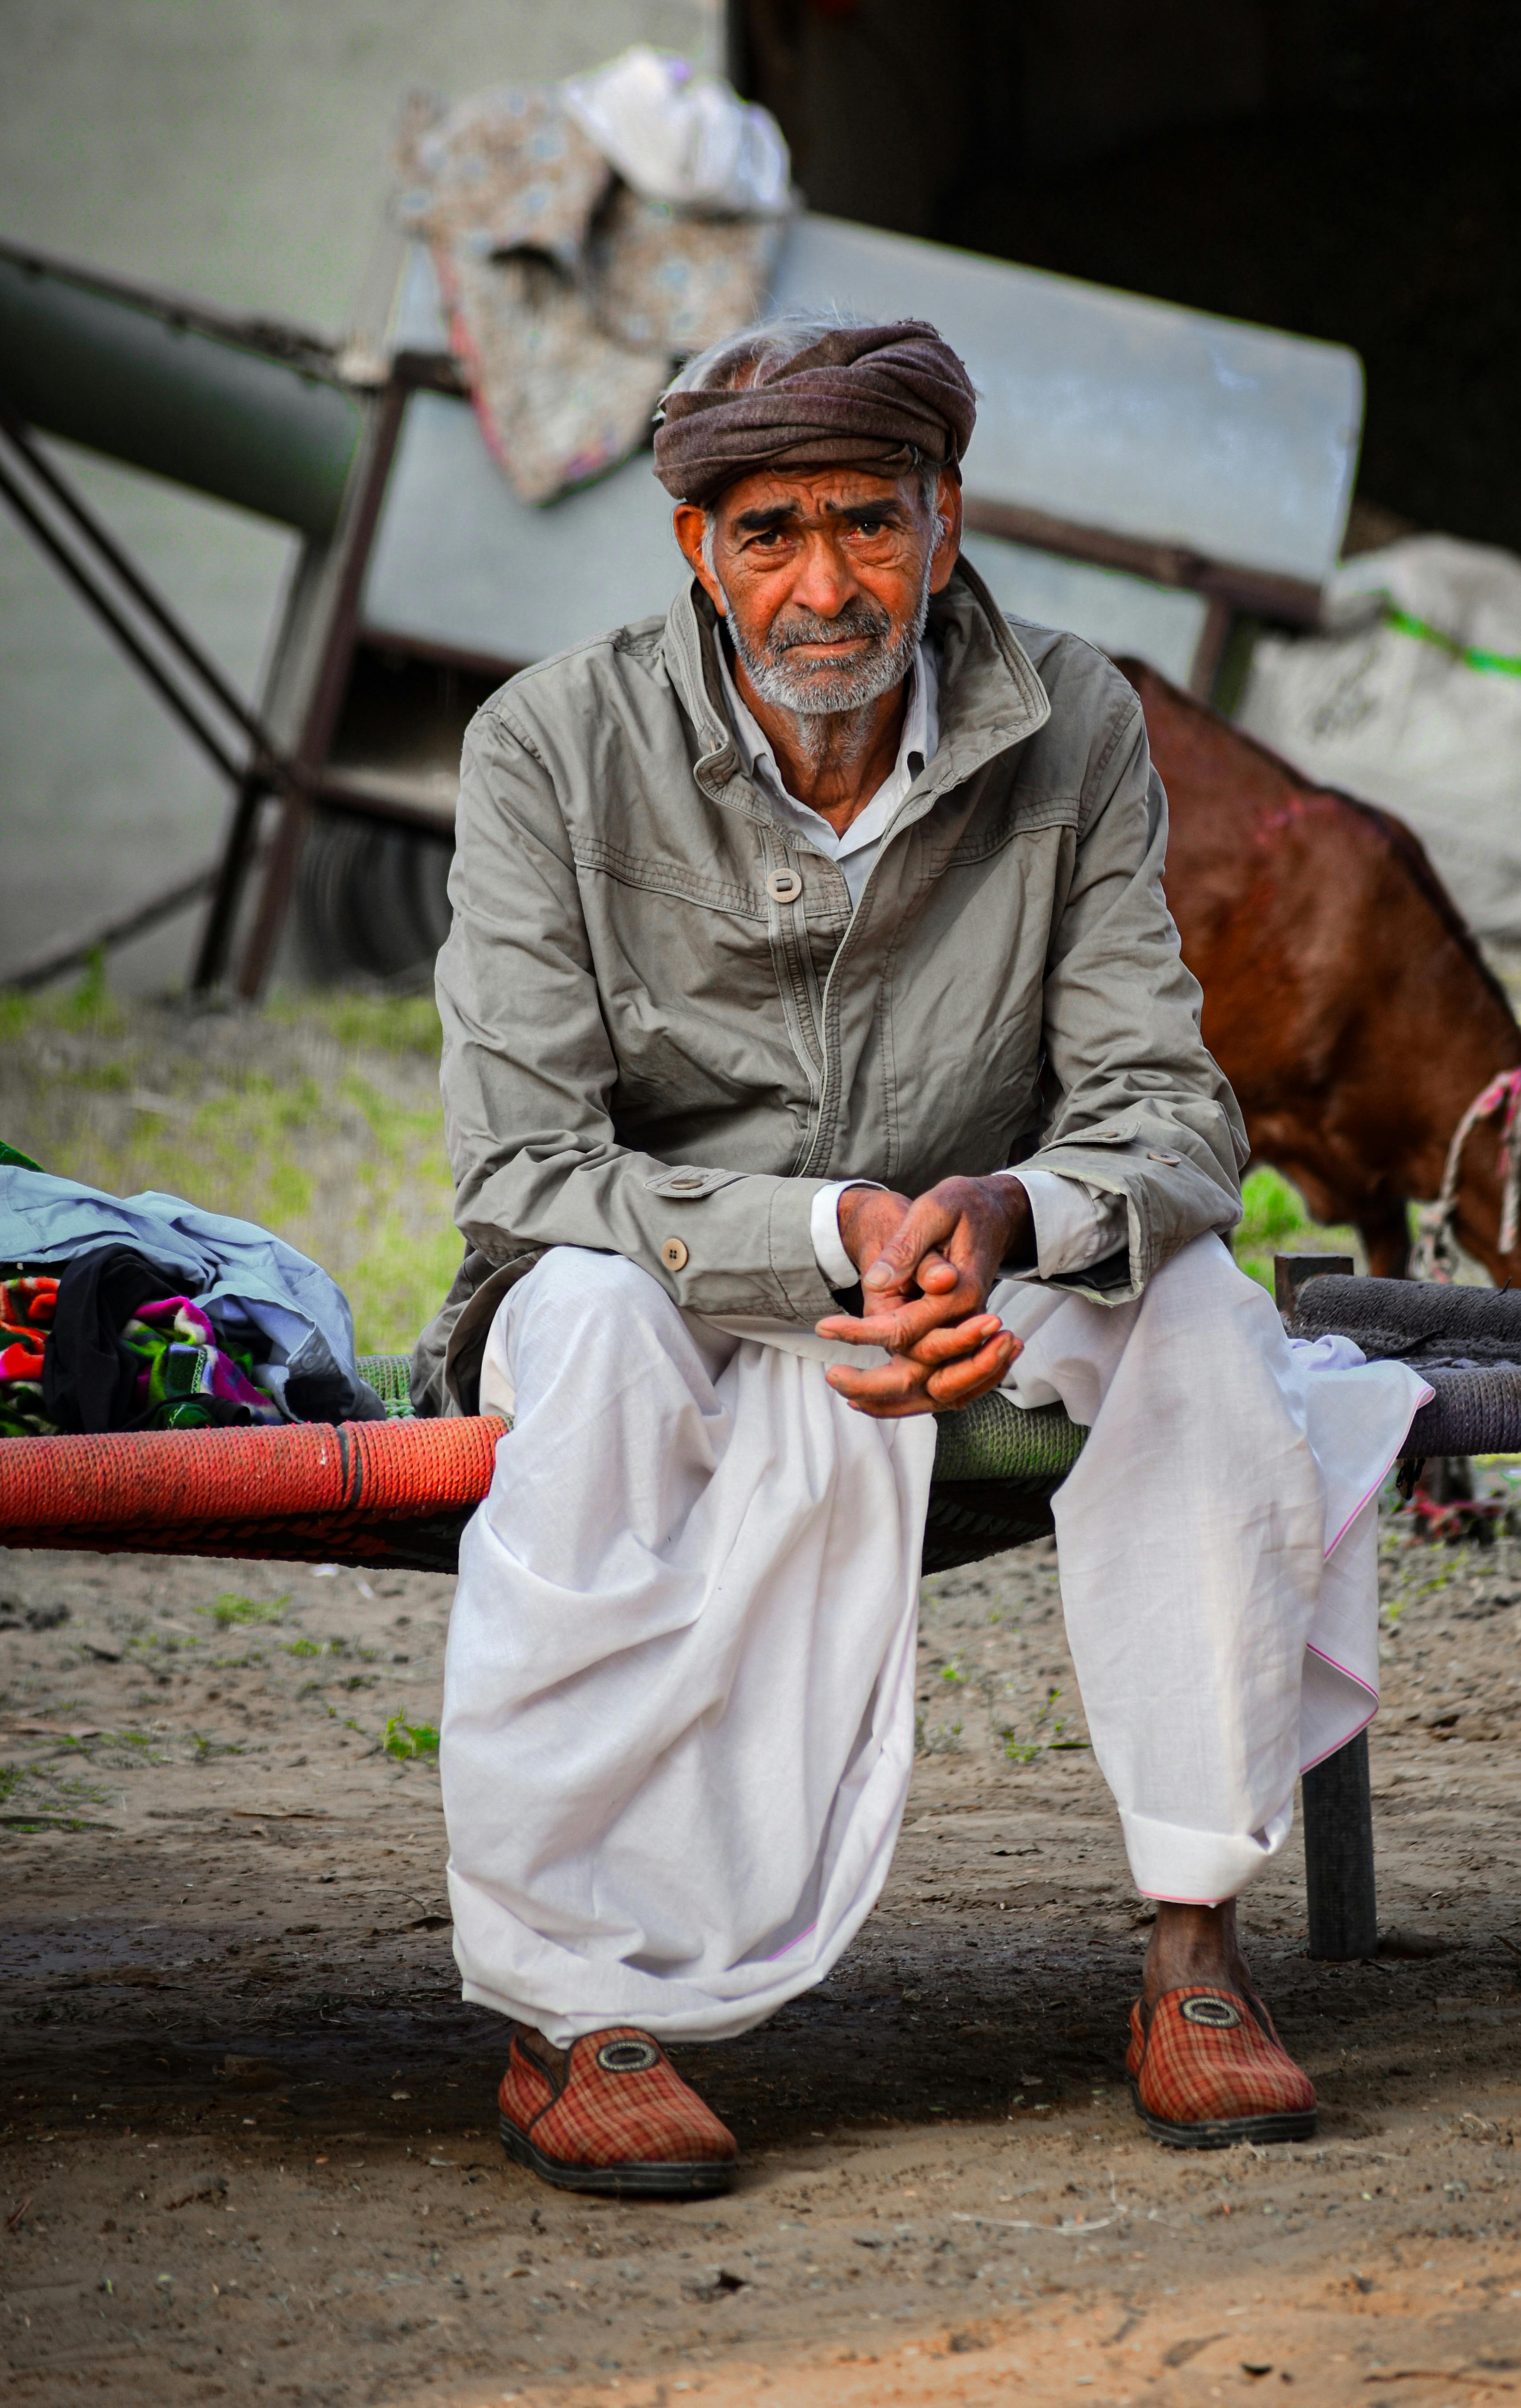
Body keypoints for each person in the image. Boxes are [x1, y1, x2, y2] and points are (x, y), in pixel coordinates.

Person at [414, 314, 1428, 2198]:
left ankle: (1194, 1955)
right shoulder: (550, 744)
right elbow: (524, 1164)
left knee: (1198, 1314)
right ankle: (572, 2008)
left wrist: (1004, 1215)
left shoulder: (1076, 722)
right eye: (771, 533)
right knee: (582, 1332)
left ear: (945, 524)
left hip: (973, 1256)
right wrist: (819, 1235)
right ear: (694, 551)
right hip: (670, 1269)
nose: (824, 585)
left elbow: (1168, 1111)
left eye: (869, 526)